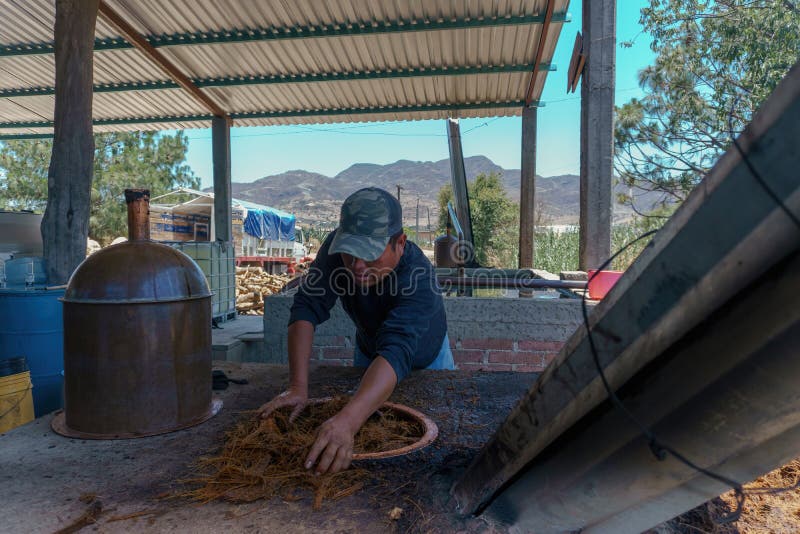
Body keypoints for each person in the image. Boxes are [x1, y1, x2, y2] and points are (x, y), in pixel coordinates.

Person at [257, 187, 452, 475]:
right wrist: (298, 388)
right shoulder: (337, 250)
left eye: (370, 255)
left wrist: (347, 421)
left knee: (434, 446)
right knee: (366, 422)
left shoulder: (419, 279)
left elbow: (397, 349)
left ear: (400, 242)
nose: (357, 266)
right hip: (370, 351)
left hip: (428, 359)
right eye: (350, 254)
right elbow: (307, 306)